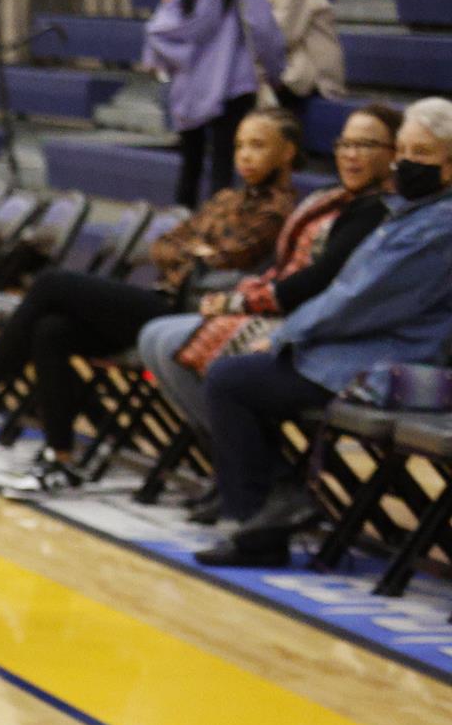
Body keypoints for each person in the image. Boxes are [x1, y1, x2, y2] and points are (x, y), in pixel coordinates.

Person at [0, 108, 300, 498]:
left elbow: (229, 256)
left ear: (286, 153)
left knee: (52, 284)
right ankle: (60, 460)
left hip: (197, 318)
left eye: (259, 145)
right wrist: (196, 248)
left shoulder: (280, 211)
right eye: (240, 145)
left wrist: (194, 247)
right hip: (164, 300)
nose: (245, 154)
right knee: (51, 329)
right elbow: (164, 247)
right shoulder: (227, 199)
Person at [196, 96, 452, 567]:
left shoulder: (440, 225)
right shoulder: (415, 210)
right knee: (236, 374)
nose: (406, 164)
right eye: (404, 151)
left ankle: (265, 526)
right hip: (360, 343)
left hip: (391, 357)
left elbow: (361, 298)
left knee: (232, 381)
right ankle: (275, 507)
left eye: (422, 155)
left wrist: (288, 333)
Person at [137, 103, 400, 521]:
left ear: (394, 153)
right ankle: (238, 472)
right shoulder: (327, 198)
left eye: (366, 145)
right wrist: (235, 284)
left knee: (176, 346)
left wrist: (239, 299)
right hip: (276, 303)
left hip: (302, 319)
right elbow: (168, 245)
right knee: (155, 337)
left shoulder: (381, 212)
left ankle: (263, 481)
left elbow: (315, 280)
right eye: (346, 143)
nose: (351, 154)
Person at [146, 0, 287, 209]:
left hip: (189, 87)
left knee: (190, 165)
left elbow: (158, 32)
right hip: (234, 84)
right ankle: (218, 234)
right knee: (225, 164)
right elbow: (263, 29)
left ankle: (183, 227)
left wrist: (169, 62)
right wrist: (275, 70)